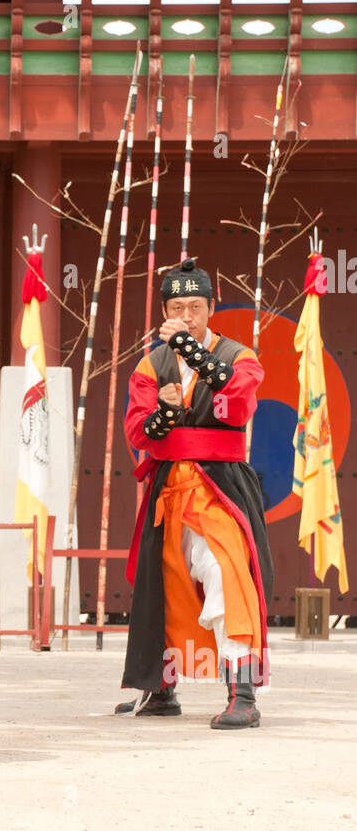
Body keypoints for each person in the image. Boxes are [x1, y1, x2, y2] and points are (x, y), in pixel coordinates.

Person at [117, 258, 274, 729]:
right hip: (169, 486)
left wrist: (191, 350)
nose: (187, 316)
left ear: (210, 309)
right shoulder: (152, 363)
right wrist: (163, 416)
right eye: (177, 307)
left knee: (225, 573)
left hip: (219, 484)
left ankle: (242, 692)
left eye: (196, 307)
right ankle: (162, 689)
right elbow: (137, 430)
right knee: (165, 583)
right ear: (165, 310)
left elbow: (236, 407)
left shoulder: (239, 355)